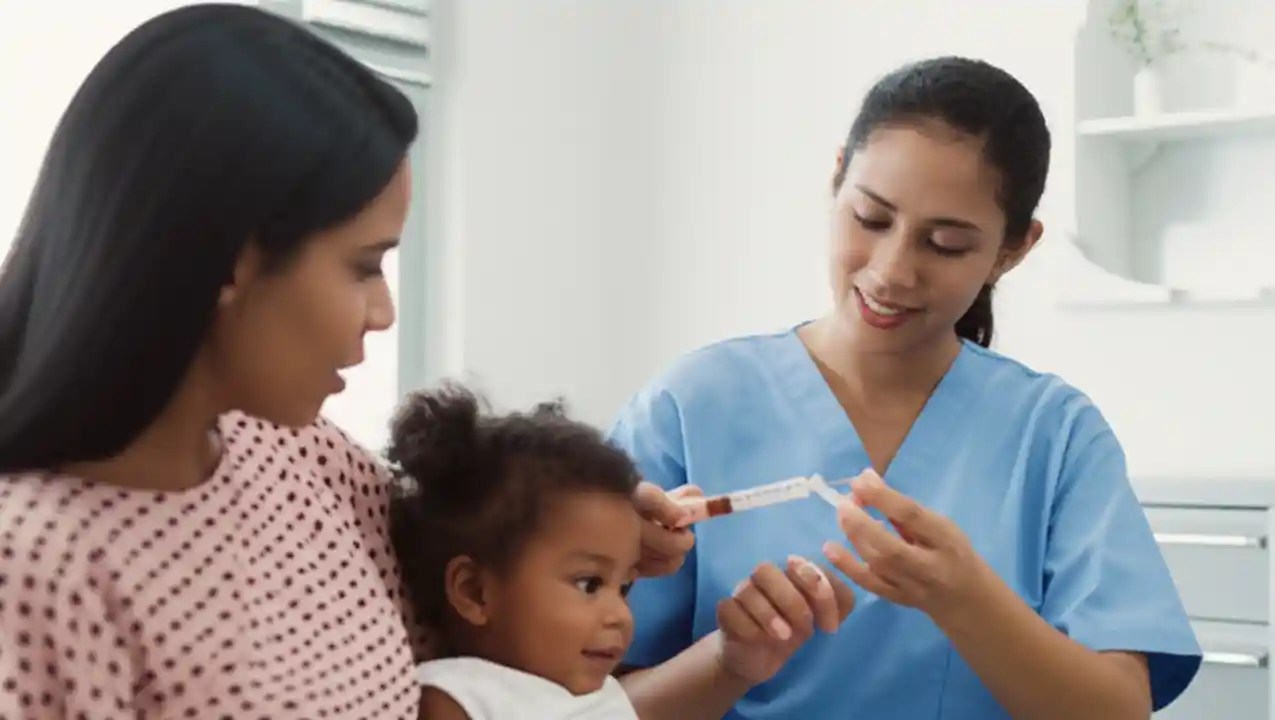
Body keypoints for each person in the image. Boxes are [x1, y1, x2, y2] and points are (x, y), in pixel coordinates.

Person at [0, 4, 849, 718]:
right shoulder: (38, 563)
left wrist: (573, 532)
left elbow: (537, 697)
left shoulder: (302, 458)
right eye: (364, 266)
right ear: (231, 260)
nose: (384, 313)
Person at [609, 56, 1203, 719]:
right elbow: (577, 703)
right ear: (837, 178)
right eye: (870, 218)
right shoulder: (690, 407)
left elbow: (1119, 711)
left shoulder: (1055, 435)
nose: (892, 272)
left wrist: (965, 598)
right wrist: (726, 660)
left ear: (1013, 249)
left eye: (945, 245)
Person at [387, 384, 849, 719]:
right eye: (589, 584)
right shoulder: (457, 697)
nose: (622, 616)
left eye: (624, 587)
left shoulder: (596, 700)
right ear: (475, 592)